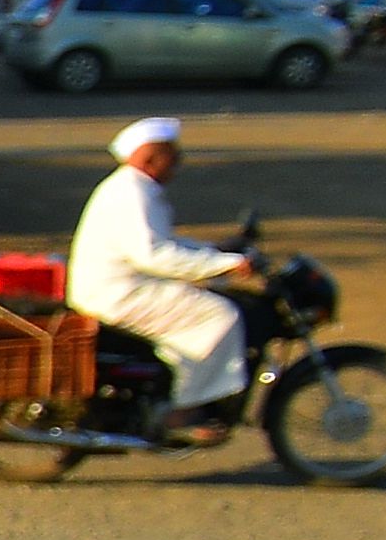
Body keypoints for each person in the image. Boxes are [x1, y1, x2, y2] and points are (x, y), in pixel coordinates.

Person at [66, 114, 259, 427]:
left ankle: (169, 385)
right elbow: (154, 254)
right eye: (172, 155)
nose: (178, 162)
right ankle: (185, 409)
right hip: (118, 295)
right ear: (150, 159)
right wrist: (227, 265)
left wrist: (214, 253)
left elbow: (165, 243)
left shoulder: (132, 187)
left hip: (123, 286)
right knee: (221, 315)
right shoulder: (133, 195)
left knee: (200, 303)